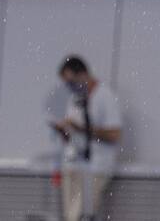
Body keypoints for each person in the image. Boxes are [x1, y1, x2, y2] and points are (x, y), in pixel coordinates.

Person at [51, 56, 122, 221]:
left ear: (83, 74)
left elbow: (115, 134)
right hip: (74, 164)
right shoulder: (74, 98)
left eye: (71, 81)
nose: (70, 87)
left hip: (96, 166)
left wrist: (82, 129)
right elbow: (71, 134)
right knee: (70, 217)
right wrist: (64, 131)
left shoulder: (105, 96)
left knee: (79, 215)